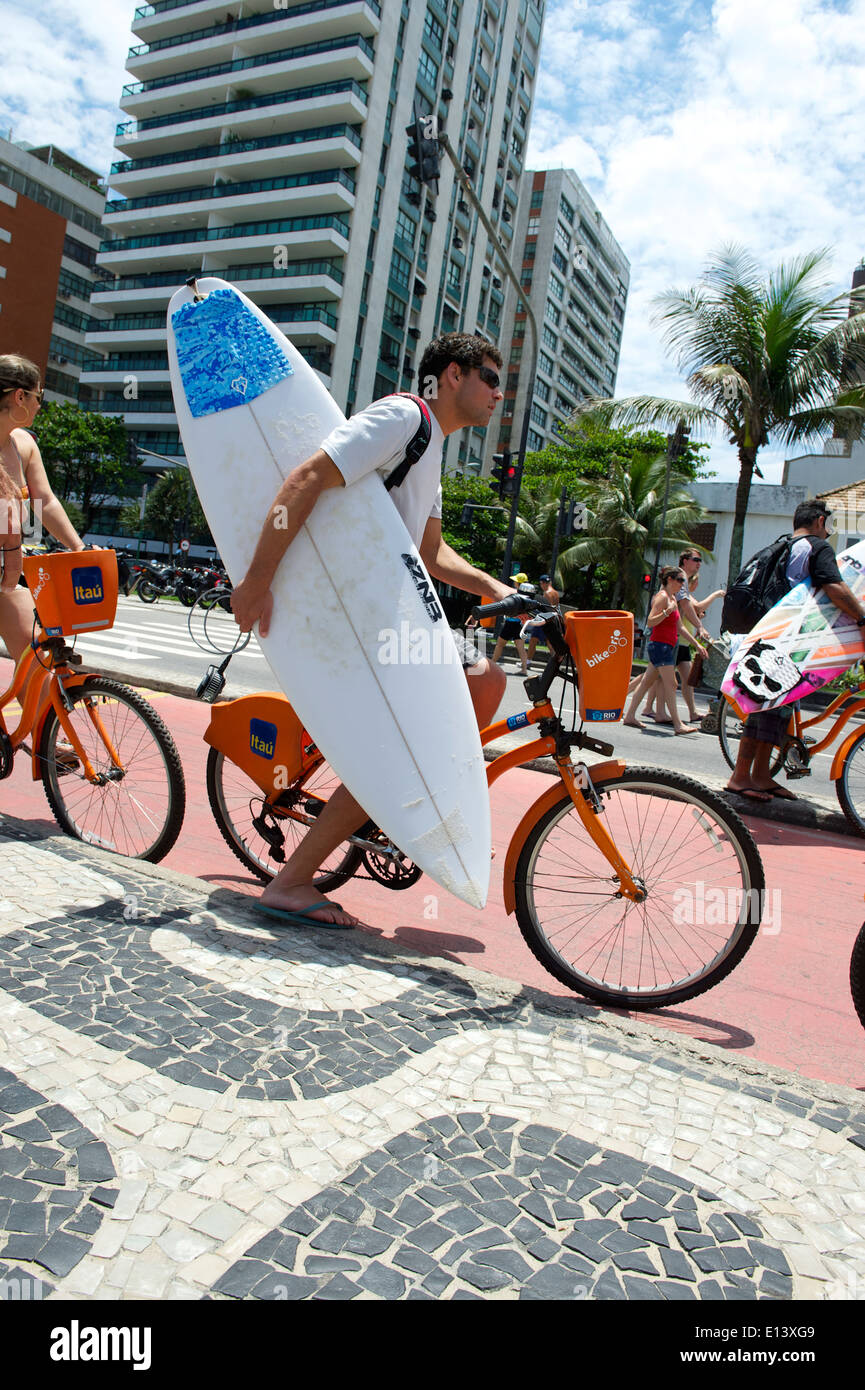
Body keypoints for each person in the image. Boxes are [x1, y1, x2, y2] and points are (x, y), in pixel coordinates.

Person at [231, 332, 515, 928]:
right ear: (455, 375)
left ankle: (387, 807)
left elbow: (431, 552)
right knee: (402, 751)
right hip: (354, 610)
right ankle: (291, 881)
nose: (500, 392)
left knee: (487, 683)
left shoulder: (433, 445)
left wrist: (496, 588)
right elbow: (306, 478)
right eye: (492, 376)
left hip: (391, 614)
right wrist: (256, 580)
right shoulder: (403, 418)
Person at [726, 499, 865, 802]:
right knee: (765, 710)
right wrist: (861, 618)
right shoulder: (818, 547)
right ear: (819, 520)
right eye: (829, 522)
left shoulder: (786, 544)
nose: (830, 529)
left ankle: (761, 776)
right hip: (787, 640)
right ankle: (740, 777)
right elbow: (835, 588)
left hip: (771, 635)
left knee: (774, 710)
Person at [0, 354, 85, 665]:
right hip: (8, 564)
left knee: (35, 660)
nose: (40, 404)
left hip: (7, 576)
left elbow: (45, 502)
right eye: (39, 396)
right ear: (19, 396)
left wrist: (78, 547)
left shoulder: (23, 444)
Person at [624, 566, 707, 735]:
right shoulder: (662, 598)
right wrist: (665, 612)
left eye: (684, 581)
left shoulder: (673, 598)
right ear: (669, 580)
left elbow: (680, 627)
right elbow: (651, 622)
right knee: (672, 683)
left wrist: (696, 644)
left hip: (666, 646)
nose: (682, 584)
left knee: (647, 682)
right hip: (660, 646)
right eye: (680, 580)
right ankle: (678, 724)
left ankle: (630, 716)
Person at [644, 549, 724, 723]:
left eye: (700, 560)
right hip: (667, 637)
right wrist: (699, 627)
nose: (699, 563)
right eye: (696, 559)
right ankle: (663, 715)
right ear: (685, 560)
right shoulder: (678, 580)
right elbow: (686, 607)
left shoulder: (680, 582)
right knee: (660, 679)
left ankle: (659, 711)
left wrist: (696, 631)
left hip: (673, 636)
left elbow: (685, 611)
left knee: (663, 678)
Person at [491, 571, 530, 673]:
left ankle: (492, 664)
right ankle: (524, 669)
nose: (514, 583)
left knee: (499, 644)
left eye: (515, 581)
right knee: (521, 648)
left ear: (518, 583)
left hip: (510, 623)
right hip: (519, 624)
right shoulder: (526, 596)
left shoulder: (514, 594)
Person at [526, 573, 560, 663]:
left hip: (544, 619)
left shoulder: (547, 594)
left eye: (541, 584)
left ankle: (528, 661)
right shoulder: (555, 593)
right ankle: (557, 661)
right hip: (552, 619)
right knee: (549, 642)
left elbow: (545, 608)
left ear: (543, 583)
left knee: (533, 640)